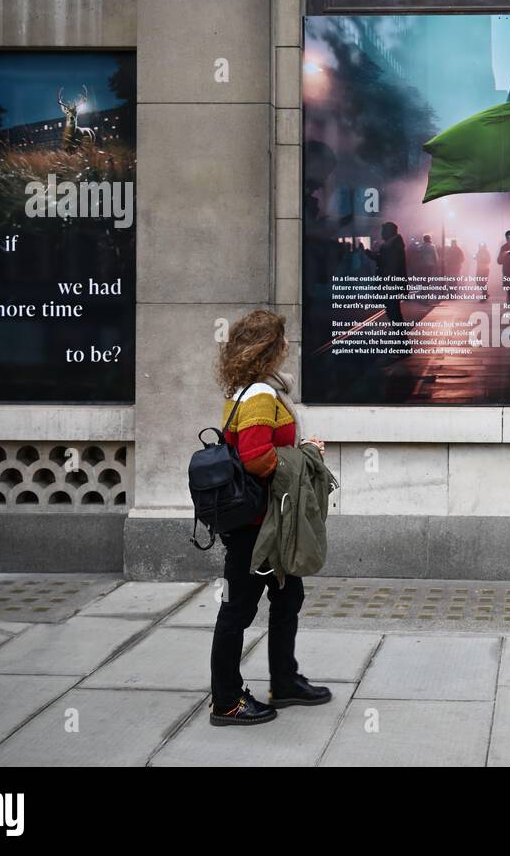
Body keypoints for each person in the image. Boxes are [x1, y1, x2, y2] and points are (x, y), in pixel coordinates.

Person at [209, 309, 331, 725]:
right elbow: (257, 458)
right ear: (271, 348)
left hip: (269, 518)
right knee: (238, 610)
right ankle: (226, 700)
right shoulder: (261, 394)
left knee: (287, 595)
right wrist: (307, 453)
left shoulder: (245, 389)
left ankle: (284, 680)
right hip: (256, 524)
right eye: (282, 341)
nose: (287, 347)